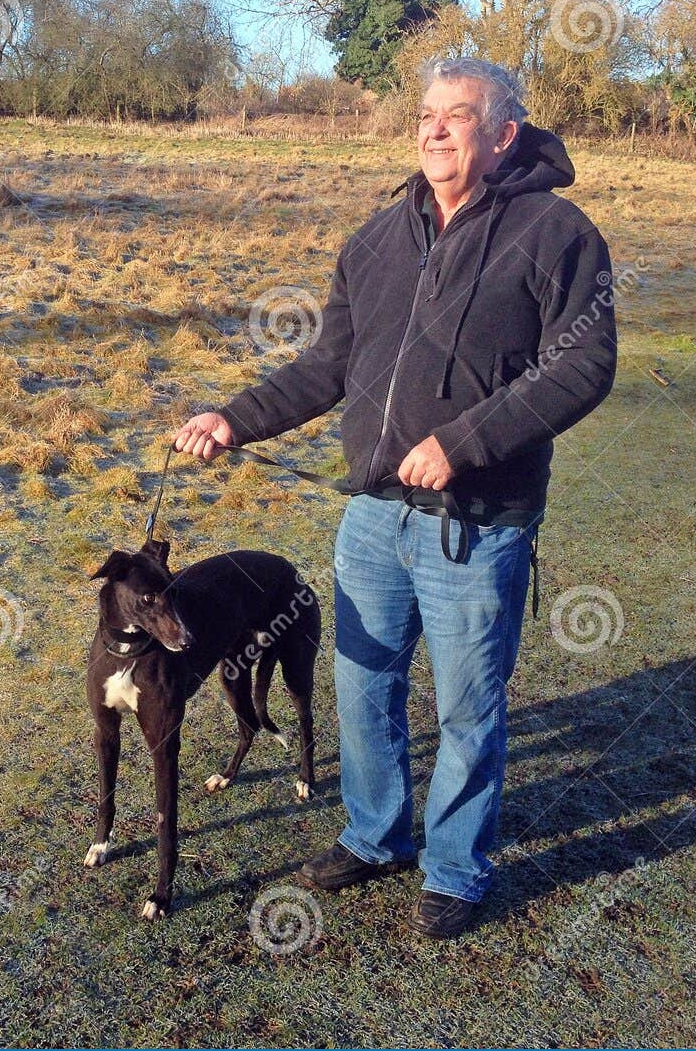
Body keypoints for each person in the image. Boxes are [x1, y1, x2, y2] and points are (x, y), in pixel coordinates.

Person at [173, 56, 617, 938]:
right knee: (363, 686)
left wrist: (464, 443)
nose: (434, 129)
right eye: (425, 115)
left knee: (467, 709)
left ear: (505, 134)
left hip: (477, 528)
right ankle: (375, 835)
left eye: (458, 115)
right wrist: (235, 419)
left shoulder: (557, 234)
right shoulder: (376, 239)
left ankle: (455, 868)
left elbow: (583, 366)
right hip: (372, 518)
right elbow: (329, 366)